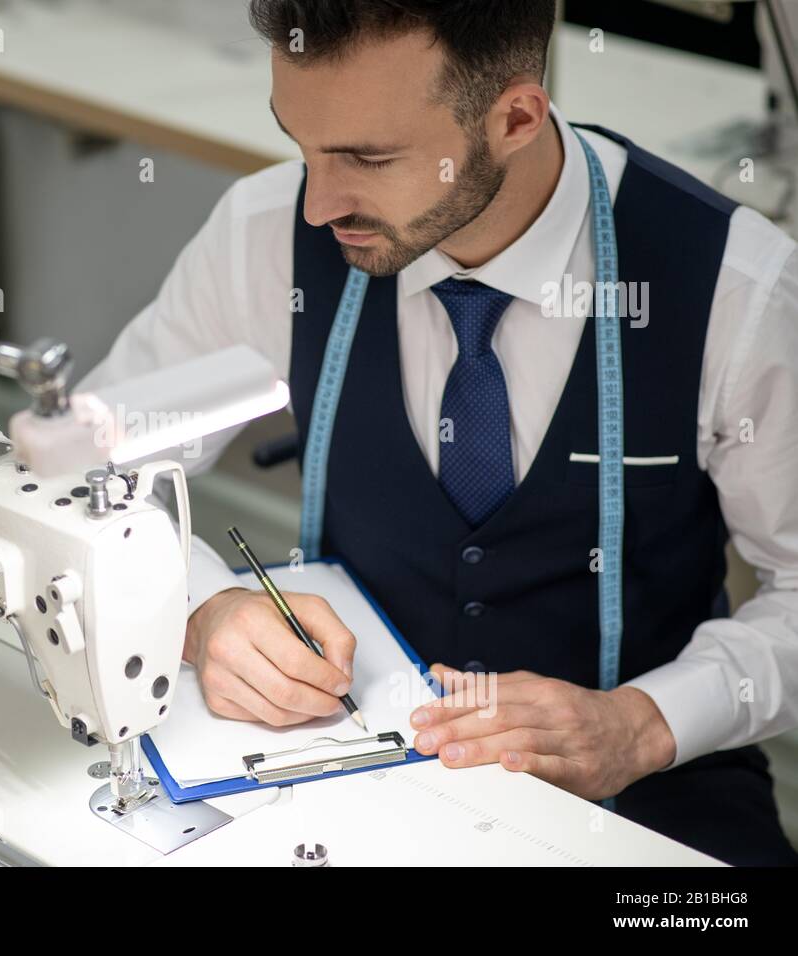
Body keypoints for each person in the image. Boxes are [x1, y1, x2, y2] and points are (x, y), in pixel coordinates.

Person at [79, 0, 798, 865]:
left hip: (650, 789)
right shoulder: (266, 233)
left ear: (515, 118)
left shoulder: (731, 286)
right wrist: (201, 607)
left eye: (369, 157)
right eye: (302, 144)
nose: (317, 206)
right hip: (345, 767)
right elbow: (94, 471)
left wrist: (642, 725)